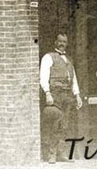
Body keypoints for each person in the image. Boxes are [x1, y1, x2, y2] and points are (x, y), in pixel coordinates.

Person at [39, 33, 82, 164]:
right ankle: (51, 154)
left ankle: (61, 153)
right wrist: (47, 93)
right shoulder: (48, 57)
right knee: (55, 124)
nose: (62, 44)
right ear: (55, 42)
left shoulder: (69, 59)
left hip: (67, 95)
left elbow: (73, 78)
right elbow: (43, 76)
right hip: (55, 94)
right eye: (60, 41)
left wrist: (77, 95)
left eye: (64, 41)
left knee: (64, 125)